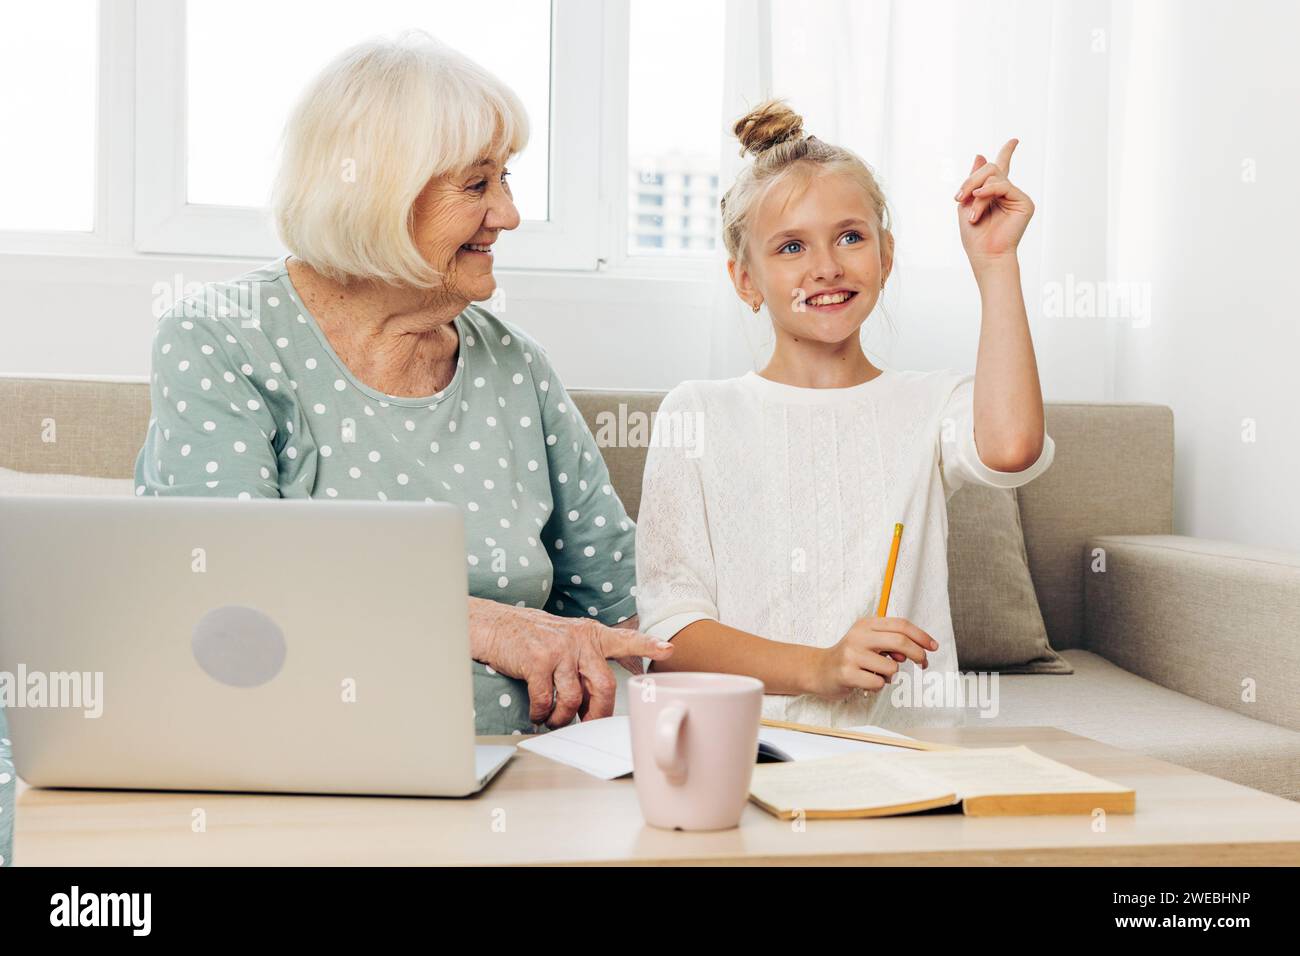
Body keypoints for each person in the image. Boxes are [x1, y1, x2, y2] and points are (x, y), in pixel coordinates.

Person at [134, 31, 671, 735]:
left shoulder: (516, 366)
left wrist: (800, 681)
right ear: (378, 198)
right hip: (291, 758)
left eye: (505, 179)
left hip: (521, 772)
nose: (507, 213)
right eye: (477, 184)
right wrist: (480, 623)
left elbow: (623, 607)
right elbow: (224, 585)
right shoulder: (222, 338)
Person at [634, 100, 1054, 728]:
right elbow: (669, 641)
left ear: (886, 256)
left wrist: (995, 264)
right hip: (751, 750)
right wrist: (821, 667)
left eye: (850, 237)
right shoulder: (697, 414)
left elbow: (1012, 446)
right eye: (791, 246)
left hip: (903, 755)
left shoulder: (930, 402)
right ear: (745, 280)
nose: (826, 267)